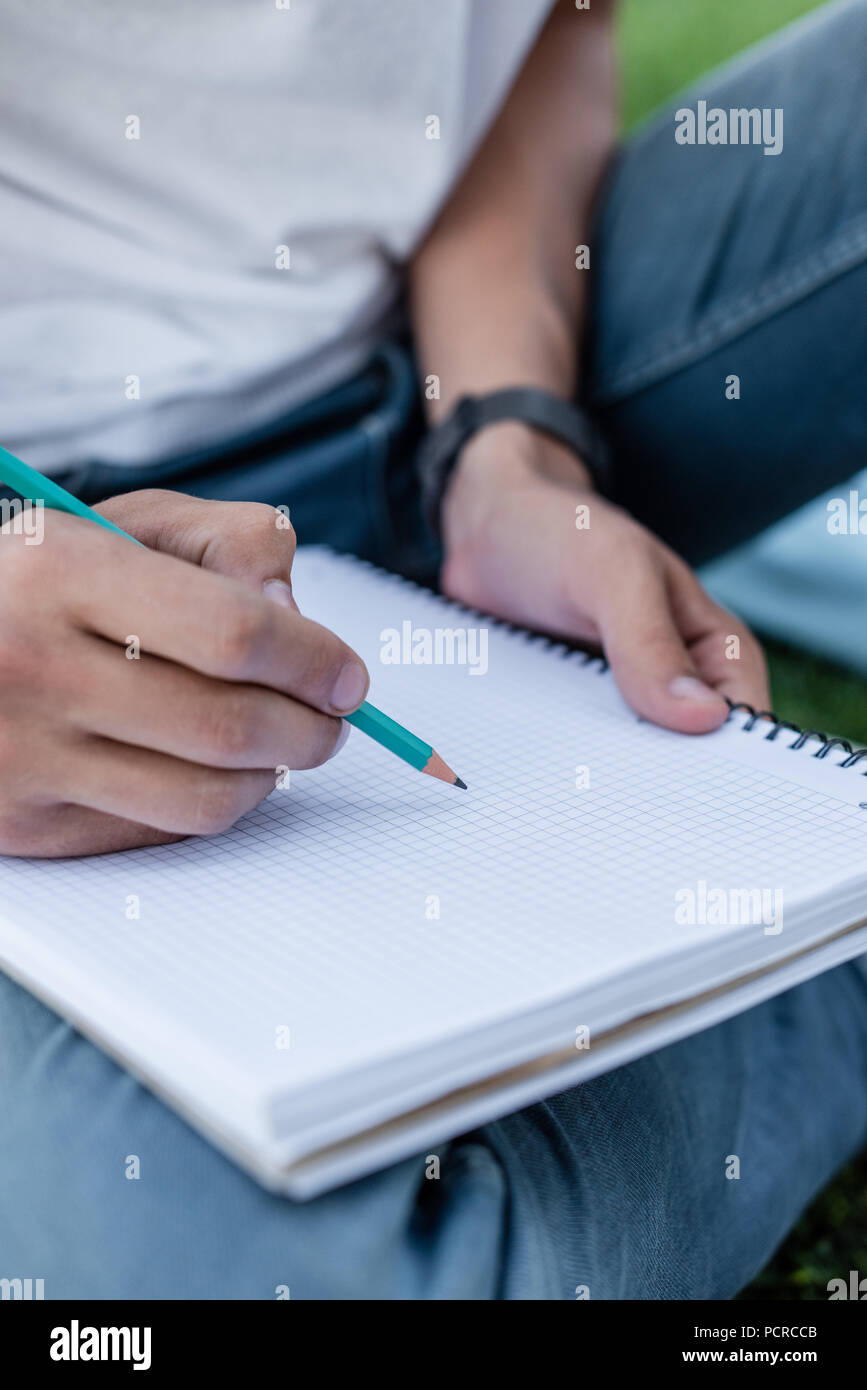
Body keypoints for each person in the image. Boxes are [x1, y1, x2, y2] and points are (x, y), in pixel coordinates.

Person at [1, 0, 865, 1298]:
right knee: (218, 1271)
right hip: (40, 507)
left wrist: (511, 446)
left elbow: (542, 32)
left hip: (445, 360)